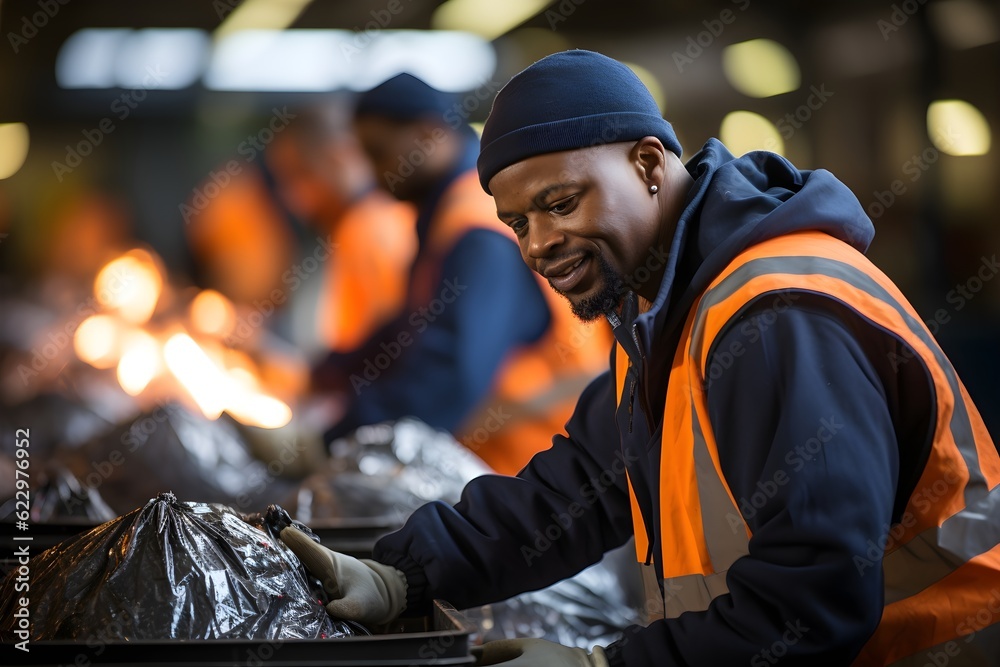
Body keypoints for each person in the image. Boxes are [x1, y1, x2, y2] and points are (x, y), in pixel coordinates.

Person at [280, 50, 1000, 666]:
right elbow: (580, 487)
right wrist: (401, 573)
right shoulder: (670, 305)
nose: (537, 244)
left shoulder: (776, 317)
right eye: (519, 222)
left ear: (649, 165)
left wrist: (608, 662)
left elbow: (815, 597)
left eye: (561, 203)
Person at [316, 73, 611, 474]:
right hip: (507, 470)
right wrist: (326, 375)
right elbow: (409, 330)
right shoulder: (448, 217)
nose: (372, 173)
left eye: (379, 153)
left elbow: (448, 371)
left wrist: (332, 439)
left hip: (542, 467)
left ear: (427, 135)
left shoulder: (478, 228)